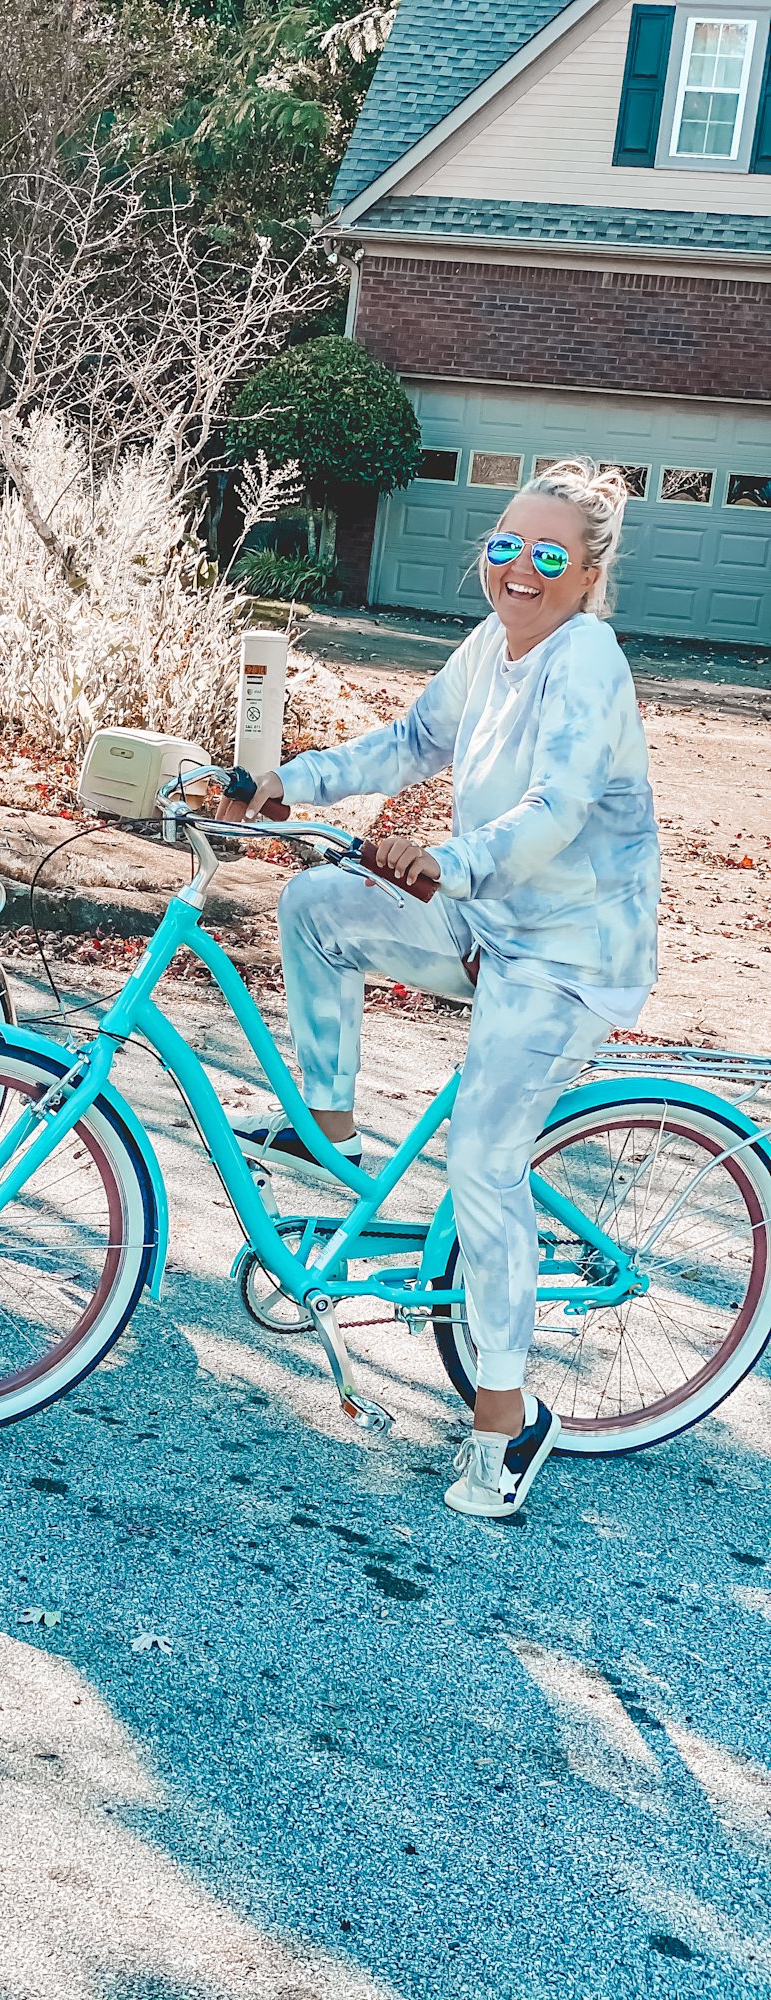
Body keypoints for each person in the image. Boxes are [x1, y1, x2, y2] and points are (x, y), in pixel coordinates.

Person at [219, 458, 660, 1520]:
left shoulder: (585, 658)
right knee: (319, 902)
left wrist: (448, 863)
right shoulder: (493, 647)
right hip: (485, 912)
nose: (517, 567)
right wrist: (294, 779)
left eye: (548, 555)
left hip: (564, 949)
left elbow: (556, 807)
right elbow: (413, 740)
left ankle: (507, 1422)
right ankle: (328, 1110)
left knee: (482, 1161)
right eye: (504, 544)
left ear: (589, 572)